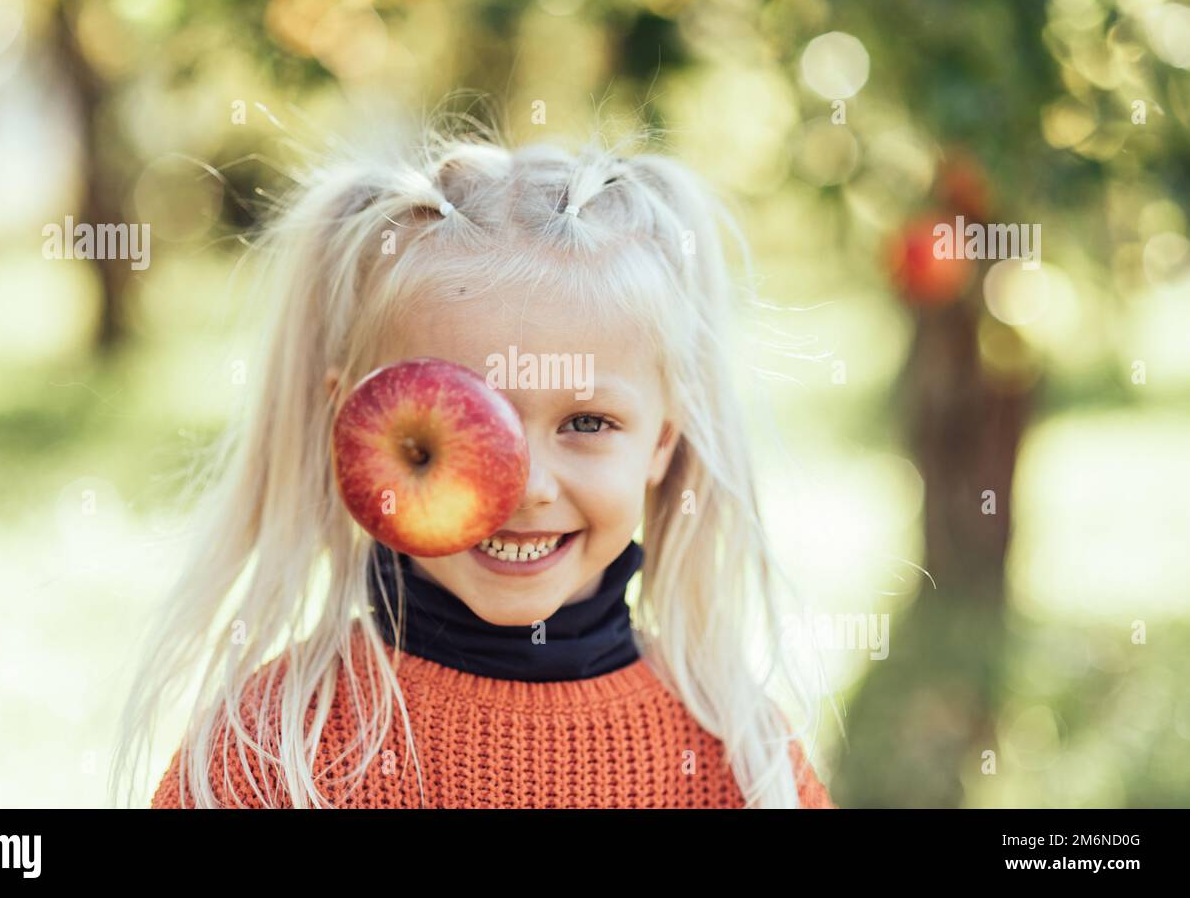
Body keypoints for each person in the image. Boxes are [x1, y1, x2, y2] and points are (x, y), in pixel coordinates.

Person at [112, 111, 837, 808]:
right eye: (455, 424)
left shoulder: (740, 765)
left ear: (661, 442)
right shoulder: (270, 753)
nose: (525, 487)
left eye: (587, 421)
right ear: (353, 427)